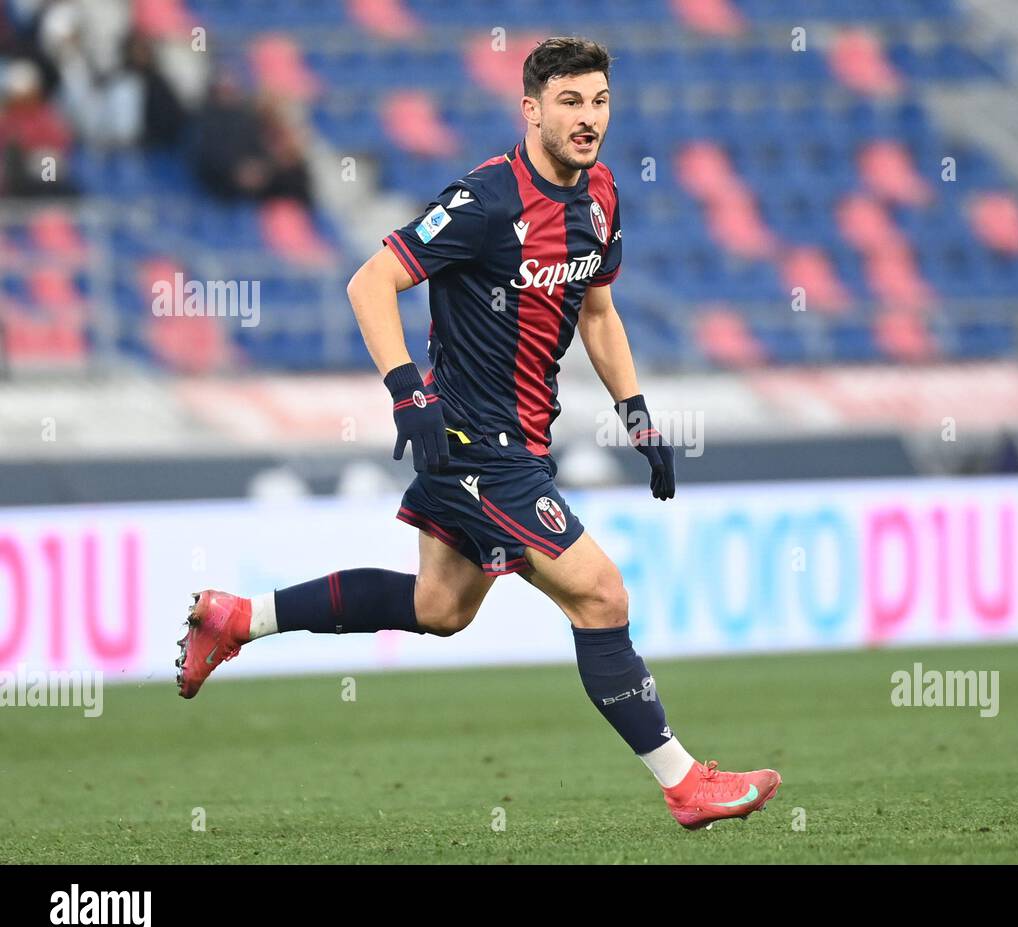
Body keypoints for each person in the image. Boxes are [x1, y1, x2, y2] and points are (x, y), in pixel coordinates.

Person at [176, 37, 781, 831]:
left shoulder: (600, 196)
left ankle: (237, 618)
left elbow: (597, 310)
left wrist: (636, 413)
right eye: (569, 102)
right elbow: (371, 280)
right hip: (474, 446)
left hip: (521, 442)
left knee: (440, 606)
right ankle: (683, 782)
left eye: (598, 101)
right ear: (530, 109)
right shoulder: (488, 200)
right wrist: (406, 394)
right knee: (601, 596)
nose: (587, 118)